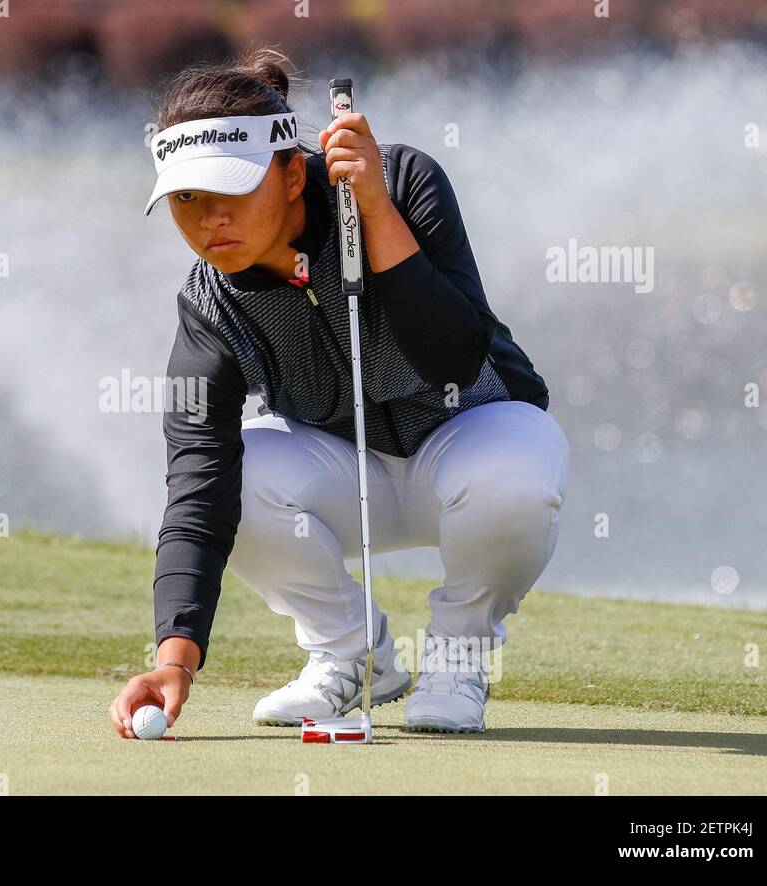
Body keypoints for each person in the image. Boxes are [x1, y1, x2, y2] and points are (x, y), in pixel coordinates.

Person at [108, 48, 569, 738]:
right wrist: (175, 657)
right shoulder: (211, 304)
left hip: (473, 435)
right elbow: (198, 484)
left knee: (516, 476)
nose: (210, 221)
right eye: (186, 199)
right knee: (242, 473)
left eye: (231, 191)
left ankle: (457, 659)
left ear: (294, 174)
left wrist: (377, 210)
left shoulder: (403, 179)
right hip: (348, 477)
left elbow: (452, 357)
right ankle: (351, 656)